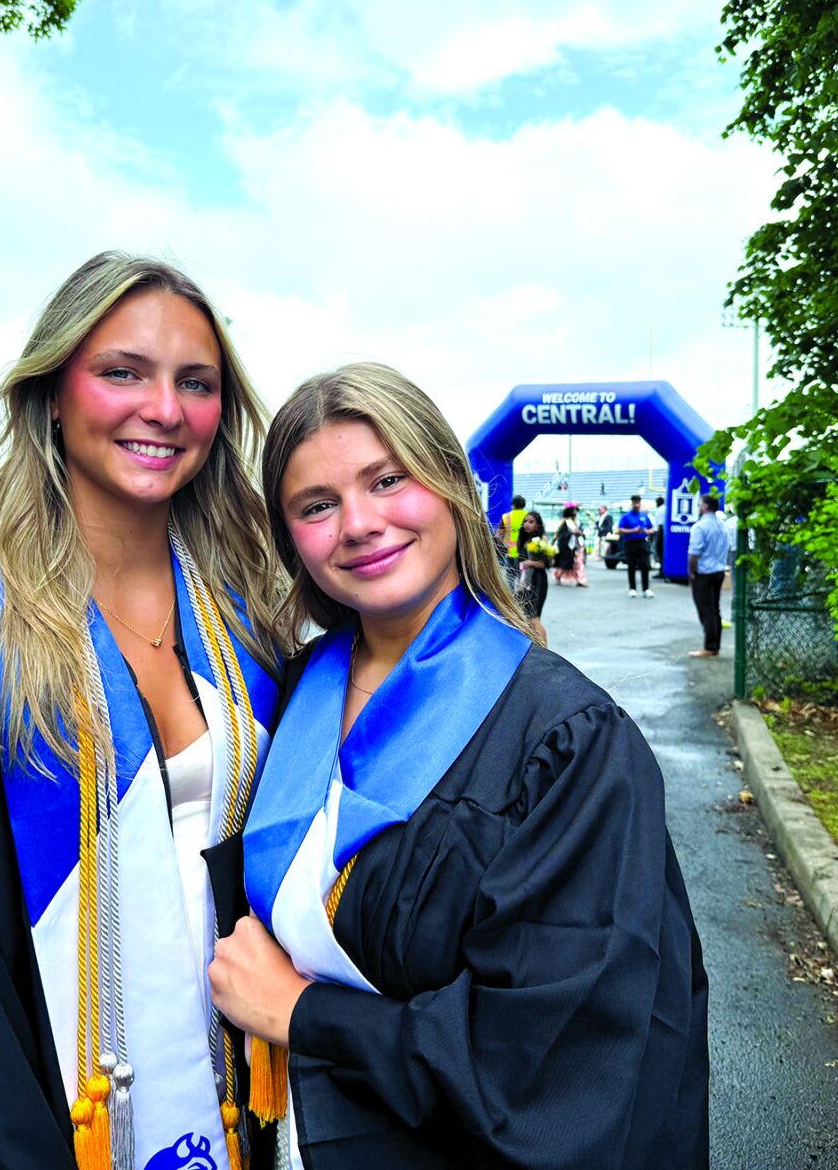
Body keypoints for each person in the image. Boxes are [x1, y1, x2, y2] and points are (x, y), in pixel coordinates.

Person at [0, 252, 286, 1169]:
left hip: (251, 1099)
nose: (163, 409)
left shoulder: (254, 628)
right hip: (54, 1120)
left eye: (195, 382)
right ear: (51, 393)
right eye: (123, 371)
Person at [210, 363, 709, 1168]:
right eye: (317, 505)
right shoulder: (290, 690)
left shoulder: (566, 740)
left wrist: (302, 1014)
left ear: (451, 484)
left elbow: (557, 1060)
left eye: (388, 479)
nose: (360, 522)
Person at [687, 492, 730, 658]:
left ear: (705, 506)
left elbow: (694, 553)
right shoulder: (722, 526)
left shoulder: (700, 527)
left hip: (704, 572)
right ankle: (714, 645)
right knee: (714, 609)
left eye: (700, 504)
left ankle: (710, 647)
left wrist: (691, 572)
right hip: (718, 571)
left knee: (705, 609)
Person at [514, 508, 550, 642]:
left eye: (531, 521)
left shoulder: (540, 540)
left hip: (537, 581)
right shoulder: (525, 540)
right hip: (525, 581)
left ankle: (545, 650)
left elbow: (544, 563)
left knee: (534, 618)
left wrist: (530, 563)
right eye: (525, 521)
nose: (527, 524)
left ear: (538, 524)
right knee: (527, 618)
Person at [618, 492, 657, 598]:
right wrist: (633, 530)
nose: (637, 505)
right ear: (632, 504)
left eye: (638, 503)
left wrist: (647, 531)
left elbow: (652, 528)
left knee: (645, 565)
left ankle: (646, 589)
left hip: (642, 542)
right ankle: (632, 588)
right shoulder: (626, 516)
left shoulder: (644, 516)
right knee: (632, 566)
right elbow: (620, 529)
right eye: (635, 503)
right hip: (630, 542)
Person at [494, 494, 528, 589]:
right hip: (526, 552)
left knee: (510, 577)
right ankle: (523, 595)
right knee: (524, 576)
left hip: (510, 552)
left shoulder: (506, 517)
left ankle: (512, 598)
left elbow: (498, 535)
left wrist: (504, 545)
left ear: (513, 505)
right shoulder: (530, 517)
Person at [551, 502, 587, 587]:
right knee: (565, 564)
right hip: (566, 546)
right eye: (574, 510)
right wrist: (572, 532)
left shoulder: (577, 522)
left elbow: (580, 532)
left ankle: (580, 580)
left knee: (578, 563)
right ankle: (558, 577)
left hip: (577, 545)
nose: (576, 511)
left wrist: (580, 533)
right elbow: (560, 534)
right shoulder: (565, 522)